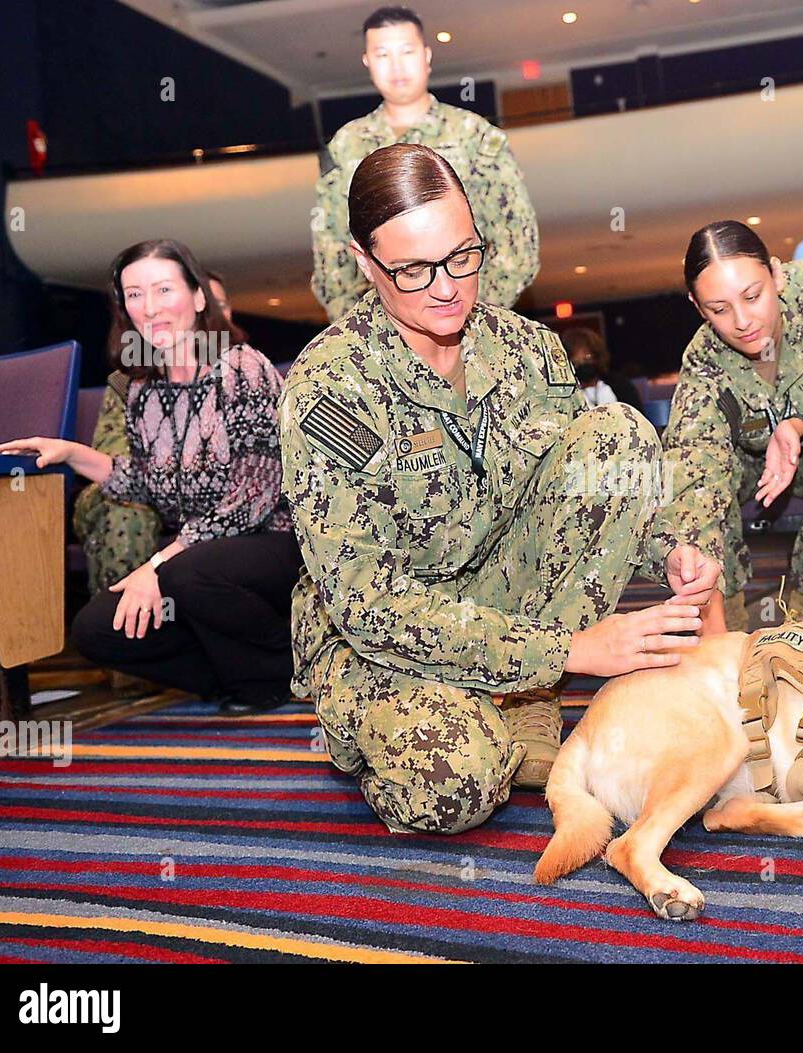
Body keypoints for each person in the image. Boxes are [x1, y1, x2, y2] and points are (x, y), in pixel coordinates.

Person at [280, 143, 720, 835]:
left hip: (499, 586)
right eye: (414, 269)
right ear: (365, 264)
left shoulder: (528, 349)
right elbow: (369, 604)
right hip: (380, 630)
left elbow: (592, 479)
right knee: (454, 787)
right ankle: (457, 707)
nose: (448, 285)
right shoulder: (331, 389)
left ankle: (521, 695)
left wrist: (668, 549)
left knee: (620, 437)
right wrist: (569, 652)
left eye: (463, 255)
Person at [0, 240, 301, 714]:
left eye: (163, 289)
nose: (150, 307)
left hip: (275, 546)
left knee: (186, 574)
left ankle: (272, 675)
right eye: (134, 294)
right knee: (96, 630)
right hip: (199, 563)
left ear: (199, 298)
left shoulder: (243, 367)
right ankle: (241, 673)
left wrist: (158, 564)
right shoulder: (141, 389)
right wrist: (73, 453)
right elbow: (144, 480)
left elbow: (254, 497)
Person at [660, 220, 803, 632]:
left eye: (753, 296)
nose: (743, 320)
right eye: (719, 309)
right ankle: (724, 622)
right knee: (700, 481)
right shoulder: (703, 362)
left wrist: (800, 426)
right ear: (698, 308)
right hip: (753, 467)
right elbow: (692, 468)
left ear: (776, 273)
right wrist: (700, 575)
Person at [311, 5, 538, 321]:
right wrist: (373, 333)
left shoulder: (474, 136)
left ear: (427, 55)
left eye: (407, 51)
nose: (397, 66)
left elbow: (517, 242)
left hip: (468, 324)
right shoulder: (346, 145)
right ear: (367, 61)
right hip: (382, 342)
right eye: (383, 55)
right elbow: (332, 254)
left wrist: (465, 312)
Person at [72, 270, 247, 594]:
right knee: (126, 511)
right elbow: (116, 460)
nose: (214, 314)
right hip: (134, 495)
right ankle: (121, 628)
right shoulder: (131, 380)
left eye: (221, 305)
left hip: (219, 500)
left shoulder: (244, 376)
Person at [563, 327, 642, 411]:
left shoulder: (619, 384)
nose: (582, 364)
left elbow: (637, 415)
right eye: (576, 362)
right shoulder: (567, 394)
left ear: (597, 357)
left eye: (587, 358)